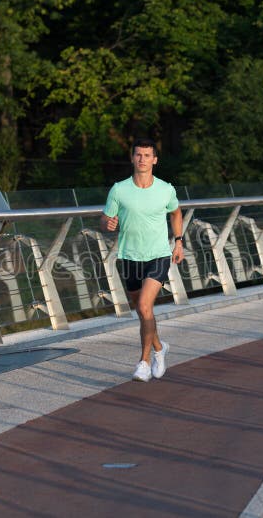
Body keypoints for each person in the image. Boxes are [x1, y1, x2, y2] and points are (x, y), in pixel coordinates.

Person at [100, 138, 185, 382]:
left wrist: (178, 241)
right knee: (142, 311)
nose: (142, 159)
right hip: (130, 256)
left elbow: (176, 212)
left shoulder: (166, 189)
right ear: (132, 158)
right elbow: (105, 219)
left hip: (158, 256)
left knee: (145, 307)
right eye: (138, 155)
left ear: (154, 160)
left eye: (147, 155)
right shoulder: (119, 189)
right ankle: (160, 347)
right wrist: (108, 223)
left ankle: (144, 362)